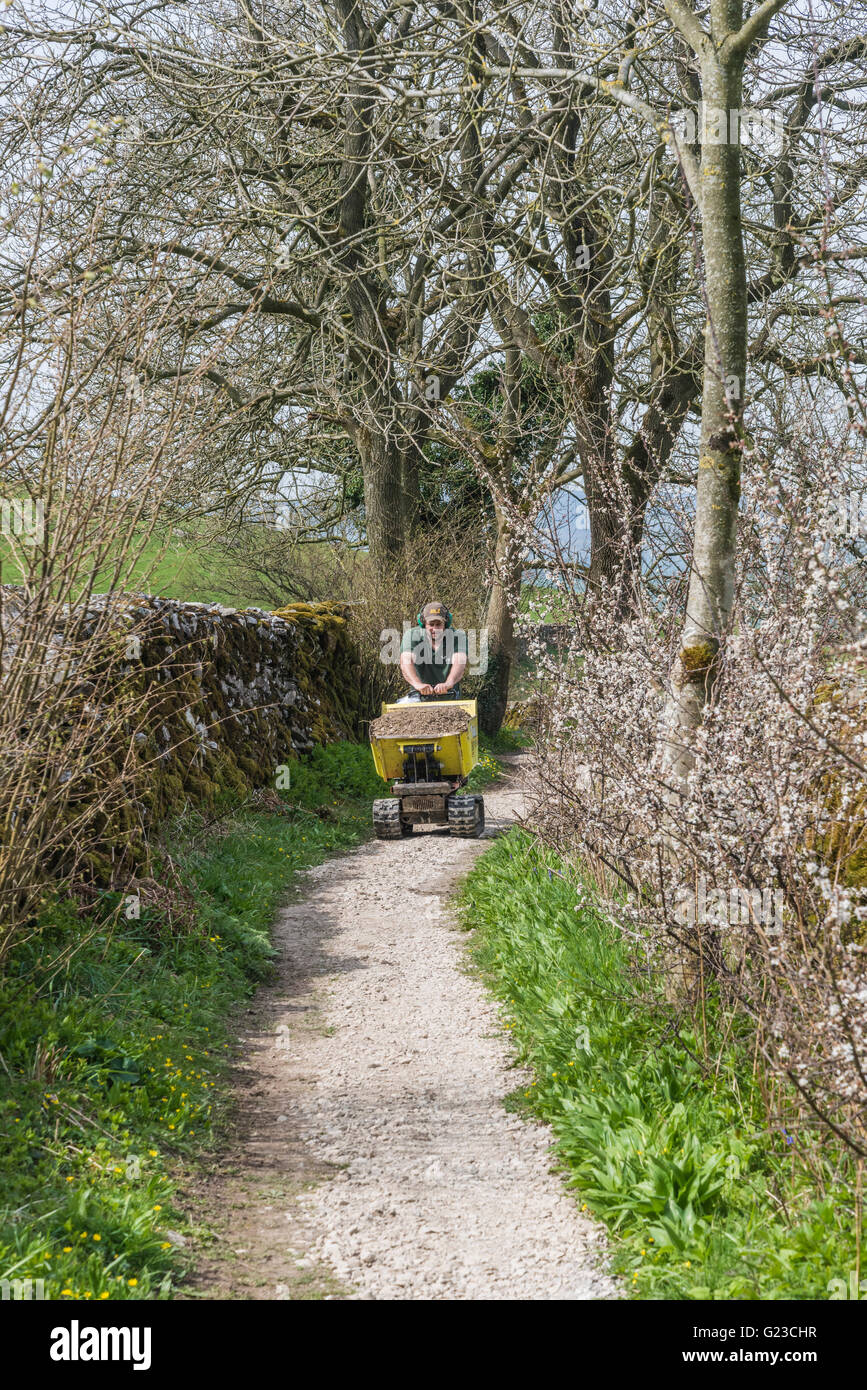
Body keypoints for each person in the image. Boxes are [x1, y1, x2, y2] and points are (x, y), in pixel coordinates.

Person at [398, 600, 468, 701]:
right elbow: (406, 661)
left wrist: (449, 683)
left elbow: (460, 662)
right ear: (423, 624)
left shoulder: (458, 636)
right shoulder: (412, 635)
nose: (435, 628)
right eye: (431, 624)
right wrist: (417, 684)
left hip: (450, 697)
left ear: (446, 624)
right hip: (418, 697)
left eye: (438, 624)